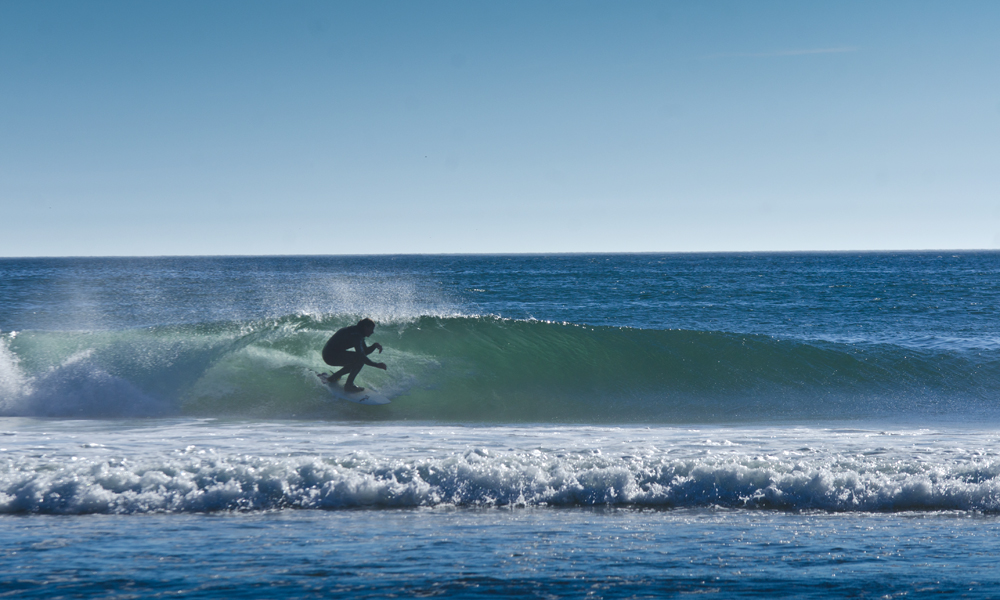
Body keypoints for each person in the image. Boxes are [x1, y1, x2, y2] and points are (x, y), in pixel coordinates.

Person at [322, 318, 387, 392]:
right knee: (359, 360)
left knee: (356, 360)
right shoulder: (356, 335)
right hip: (330, 356)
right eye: (371, 329)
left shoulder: (358, 332)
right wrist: (376, 365)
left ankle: (333, 378)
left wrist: (374, 346)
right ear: (365, 327)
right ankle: (349, 386)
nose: (372, 332)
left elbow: (364, 351)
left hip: (329, 354)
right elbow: (361, 356)